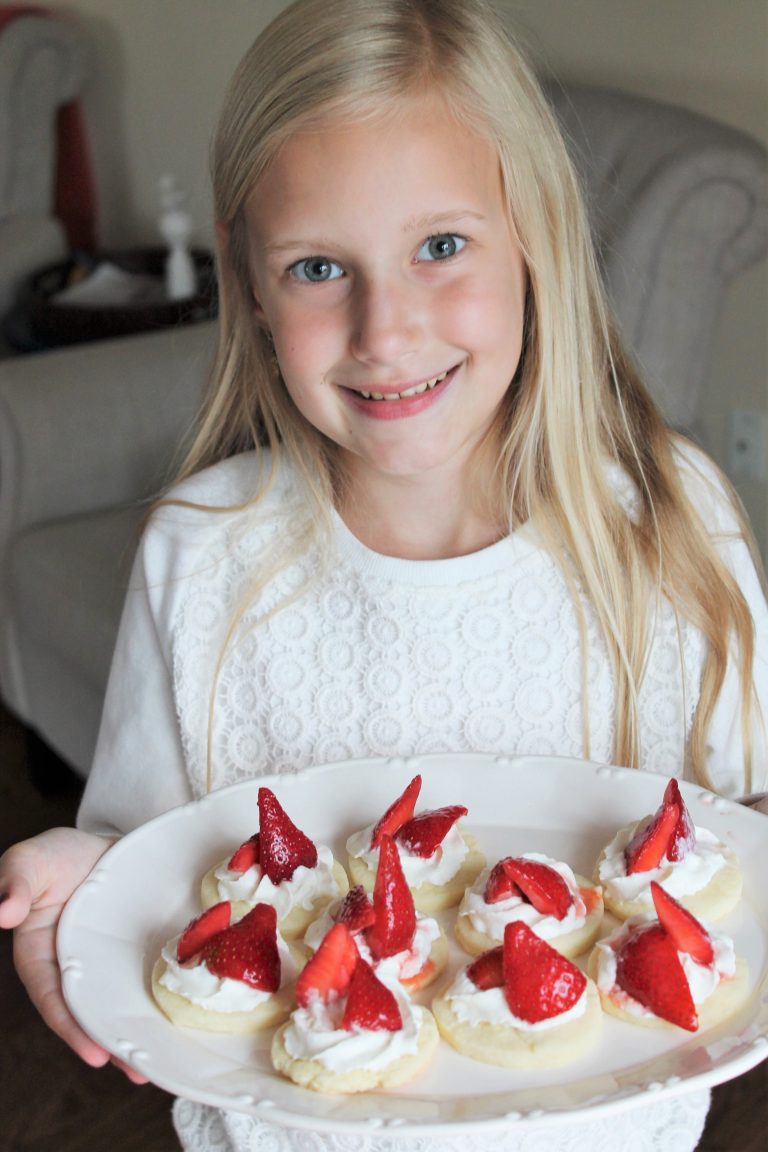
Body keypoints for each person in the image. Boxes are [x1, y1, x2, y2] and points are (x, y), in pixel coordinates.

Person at [1, 0, 766, 1149]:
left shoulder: (673, 521)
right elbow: (157, 866)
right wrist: (79, 875)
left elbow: (741, 835)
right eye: (318, 267)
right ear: (250, 279)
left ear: (539, 235)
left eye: (441, 247)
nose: (386, 331)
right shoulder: (202, 554)